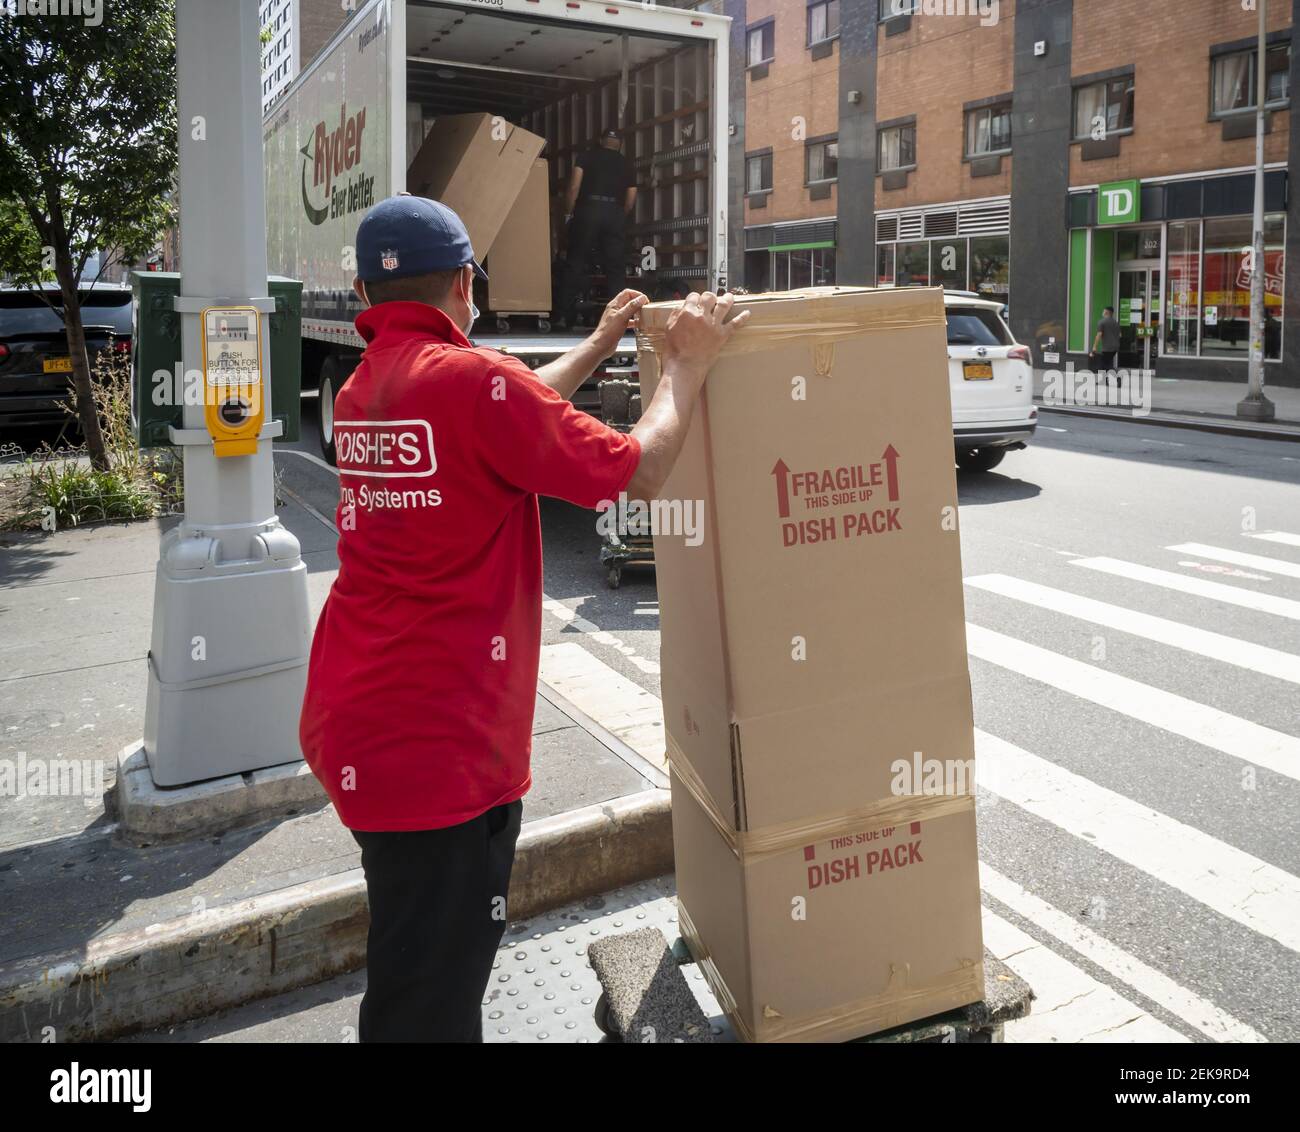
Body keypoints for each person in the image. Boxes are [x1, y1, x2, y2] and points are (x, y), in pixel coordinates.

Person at [298, 195, 746, 1042]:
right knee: (426, 998)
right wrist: (688, 364)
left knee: (414, 953)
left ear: (364, 294)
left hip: (359, 722)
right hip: (437, 749)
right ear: (467, 281)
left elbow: (512, 411)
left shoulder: (368, 387)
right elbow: (636, 473)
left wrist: (604, 343)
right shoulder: (471, 386)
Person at [557, 128, 637, 328]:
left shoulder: (586, 157)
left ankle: (562, 316)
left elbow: (574, 187)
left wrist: (568, 213)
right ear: (619, 143)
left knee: (575, 262)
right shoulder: (626, 164)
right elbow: (631, 198)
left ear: (601, 140)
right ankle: (620, 319)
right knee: (615, 268)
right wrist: (619, 215)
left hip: (588, 210)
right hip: (614, 211)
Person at [1092, 305, 1121, 376]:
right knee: (1105, 363)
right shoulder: (1115, 322)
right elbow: (1120, 335)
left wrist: (1094, 346)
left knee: (1106, 365)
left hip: (1107, 348)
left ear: (1106, 312)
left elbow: (1099, 334)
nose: (1102, 313)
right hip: (1115, 347)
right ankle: (1105, 380)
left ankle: (1117, 378)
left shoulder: (1102, 322)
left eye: (1103, 311)